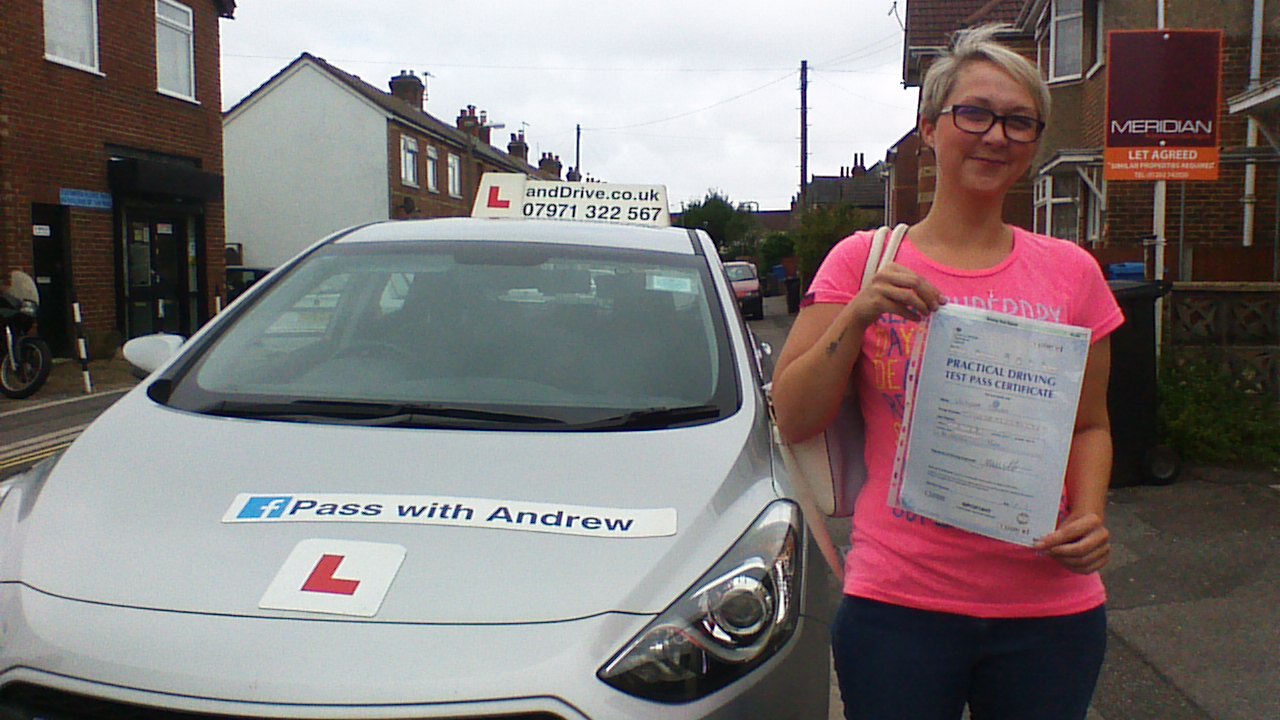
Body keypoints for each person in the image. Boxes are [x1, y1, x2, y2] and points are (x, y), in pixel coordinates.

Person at [771, 24, 1124, 720]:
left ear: (1034, 142)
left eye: (1019, 121)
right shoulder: (860, 262)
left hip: (1050, 610)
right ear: (930, 127)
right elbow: (795, 415)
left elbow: (1089, 426)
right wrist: (859, 314)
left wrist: (1090, 515)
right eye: (975, 113)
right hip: (899, 606)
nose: (996, 135)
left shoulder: (1072, 273)